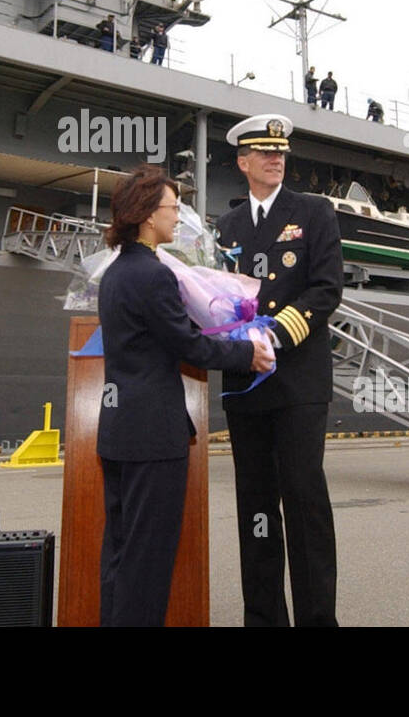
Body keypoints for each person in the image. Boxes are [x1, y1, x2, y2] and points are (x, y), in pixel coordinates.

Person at [97, 166, 274, 626]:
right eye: (174, 209)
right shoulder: (154, 276)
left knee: (120, 551)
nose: (179, 218)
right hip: (153, 436)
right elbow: (188, 345)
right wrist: (246, 352)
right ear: (146, 214)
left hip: (119, 433)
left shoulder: (115, 272)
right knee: (149, 558)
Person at [216, 114, 345, 626]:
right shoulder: (224, 227)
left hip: (297, 380)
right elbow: (217, 298)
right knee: (256, 502)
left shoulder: (314, 212)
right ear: (243, 162)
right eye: (265, 153)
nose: (277, 159)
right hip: (245, 383)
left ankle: (318, 620)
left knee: (304, 497)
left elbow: (325, 288)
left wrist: (273, 335)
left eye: (282, 152)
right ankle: (264, 617)